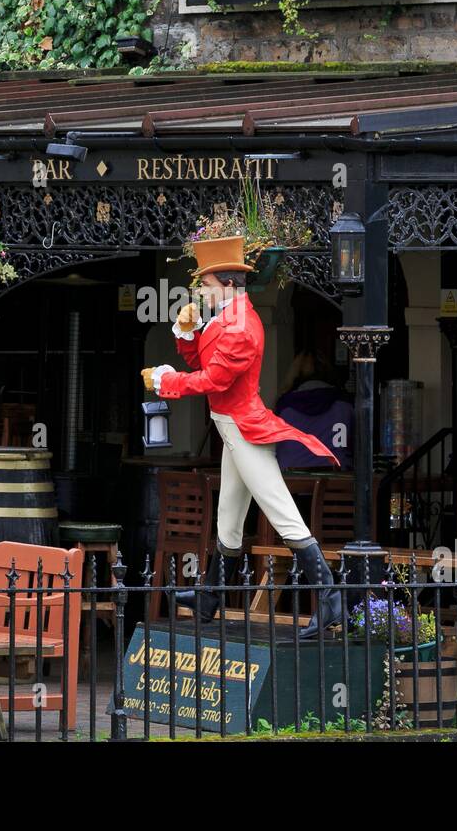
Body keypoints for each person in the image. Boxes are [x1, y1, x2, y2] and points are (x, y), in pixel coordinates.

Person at [141, 235, 343, 640]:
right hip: (231, 427)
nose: (200, 292)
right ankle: (210, 597)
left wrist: (166, 381)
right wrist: (187, 334)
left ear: (227, 285)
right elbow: (204, 362)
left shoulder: (241, 327)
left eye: (206, 285)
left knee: (281, 511)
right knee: (229, 521)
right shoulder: (227, 320)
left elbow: (213, 379)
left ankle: (330, 597)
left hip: (243, 429)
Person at [274, 351, 354, 470]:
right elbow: (358, 446)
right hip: (337, 478)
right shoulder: (345, 404)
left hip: (292, 480)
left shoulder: (284, 407)